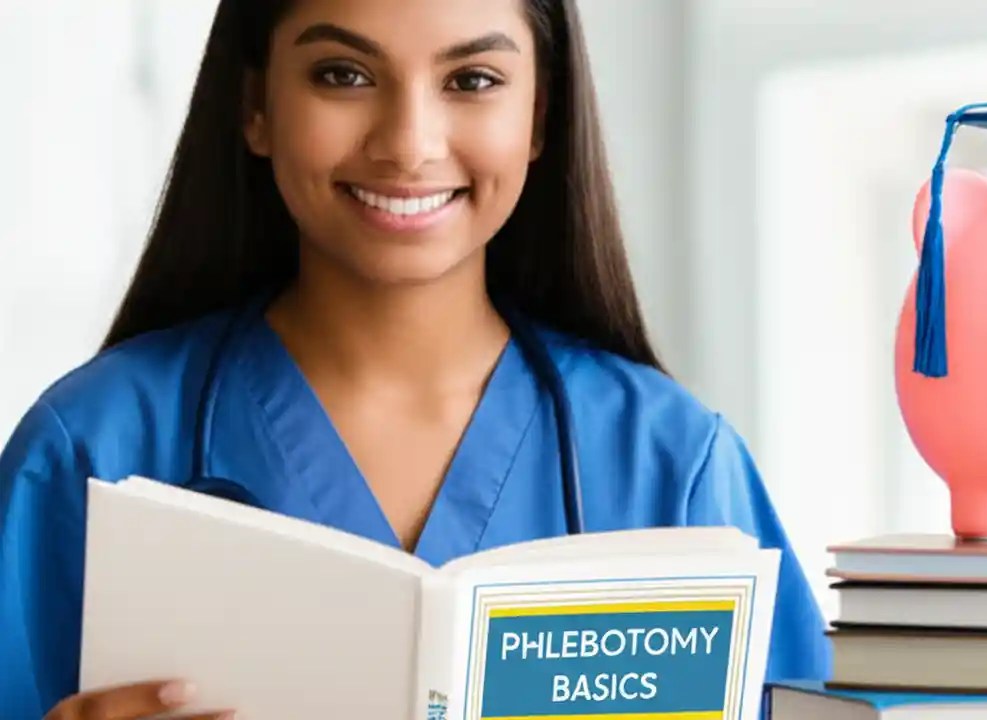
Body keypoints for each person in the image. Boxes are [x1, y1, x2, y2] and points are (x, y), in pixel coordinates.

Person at [0, 0, 830, 717]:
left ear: (541, 116)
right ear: (255, 105)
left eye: (471, 81)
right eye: (343, 75)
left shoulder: (671, 462)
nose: (408, 144)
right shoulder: (89, 450)